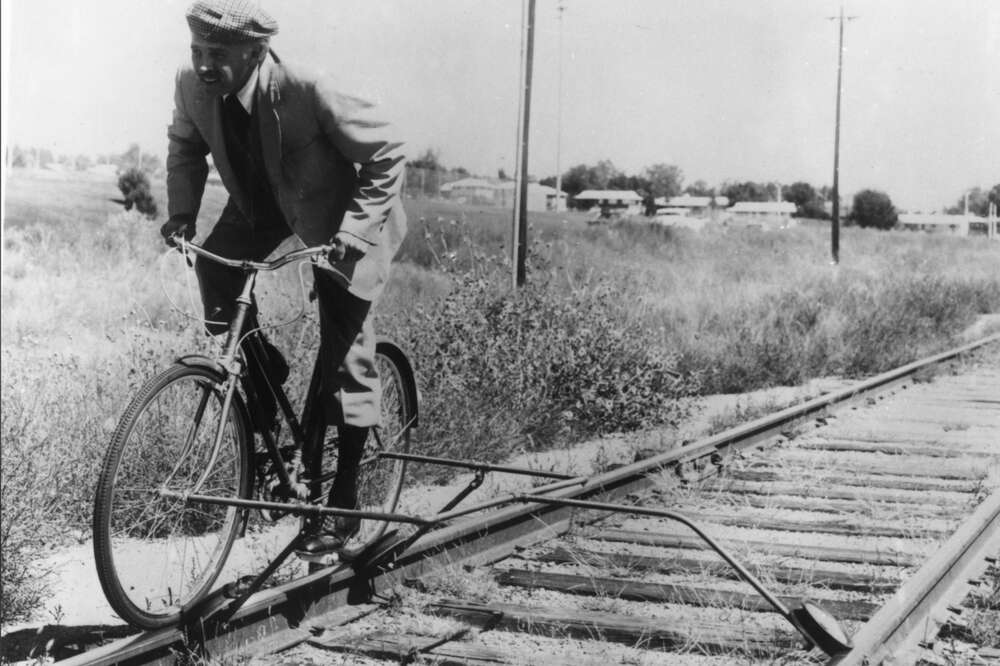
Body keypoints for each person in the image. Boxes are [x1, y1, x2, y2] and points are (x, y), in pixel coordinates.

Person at [160, 0, 407, 556]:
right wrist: (181, 215)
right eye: (197, 51)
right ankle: (262, 372)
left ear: (255, 52)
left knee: (345, 355)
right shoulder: (191, 83)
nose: (203, 64)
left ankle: (342, 505)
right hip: (264, 206)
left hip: (341, 217)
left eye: (216, 55)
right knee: (213, 264)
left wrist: (355, 233)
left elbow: (387, 151)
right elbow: (185, 148)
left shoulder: (306, 86)